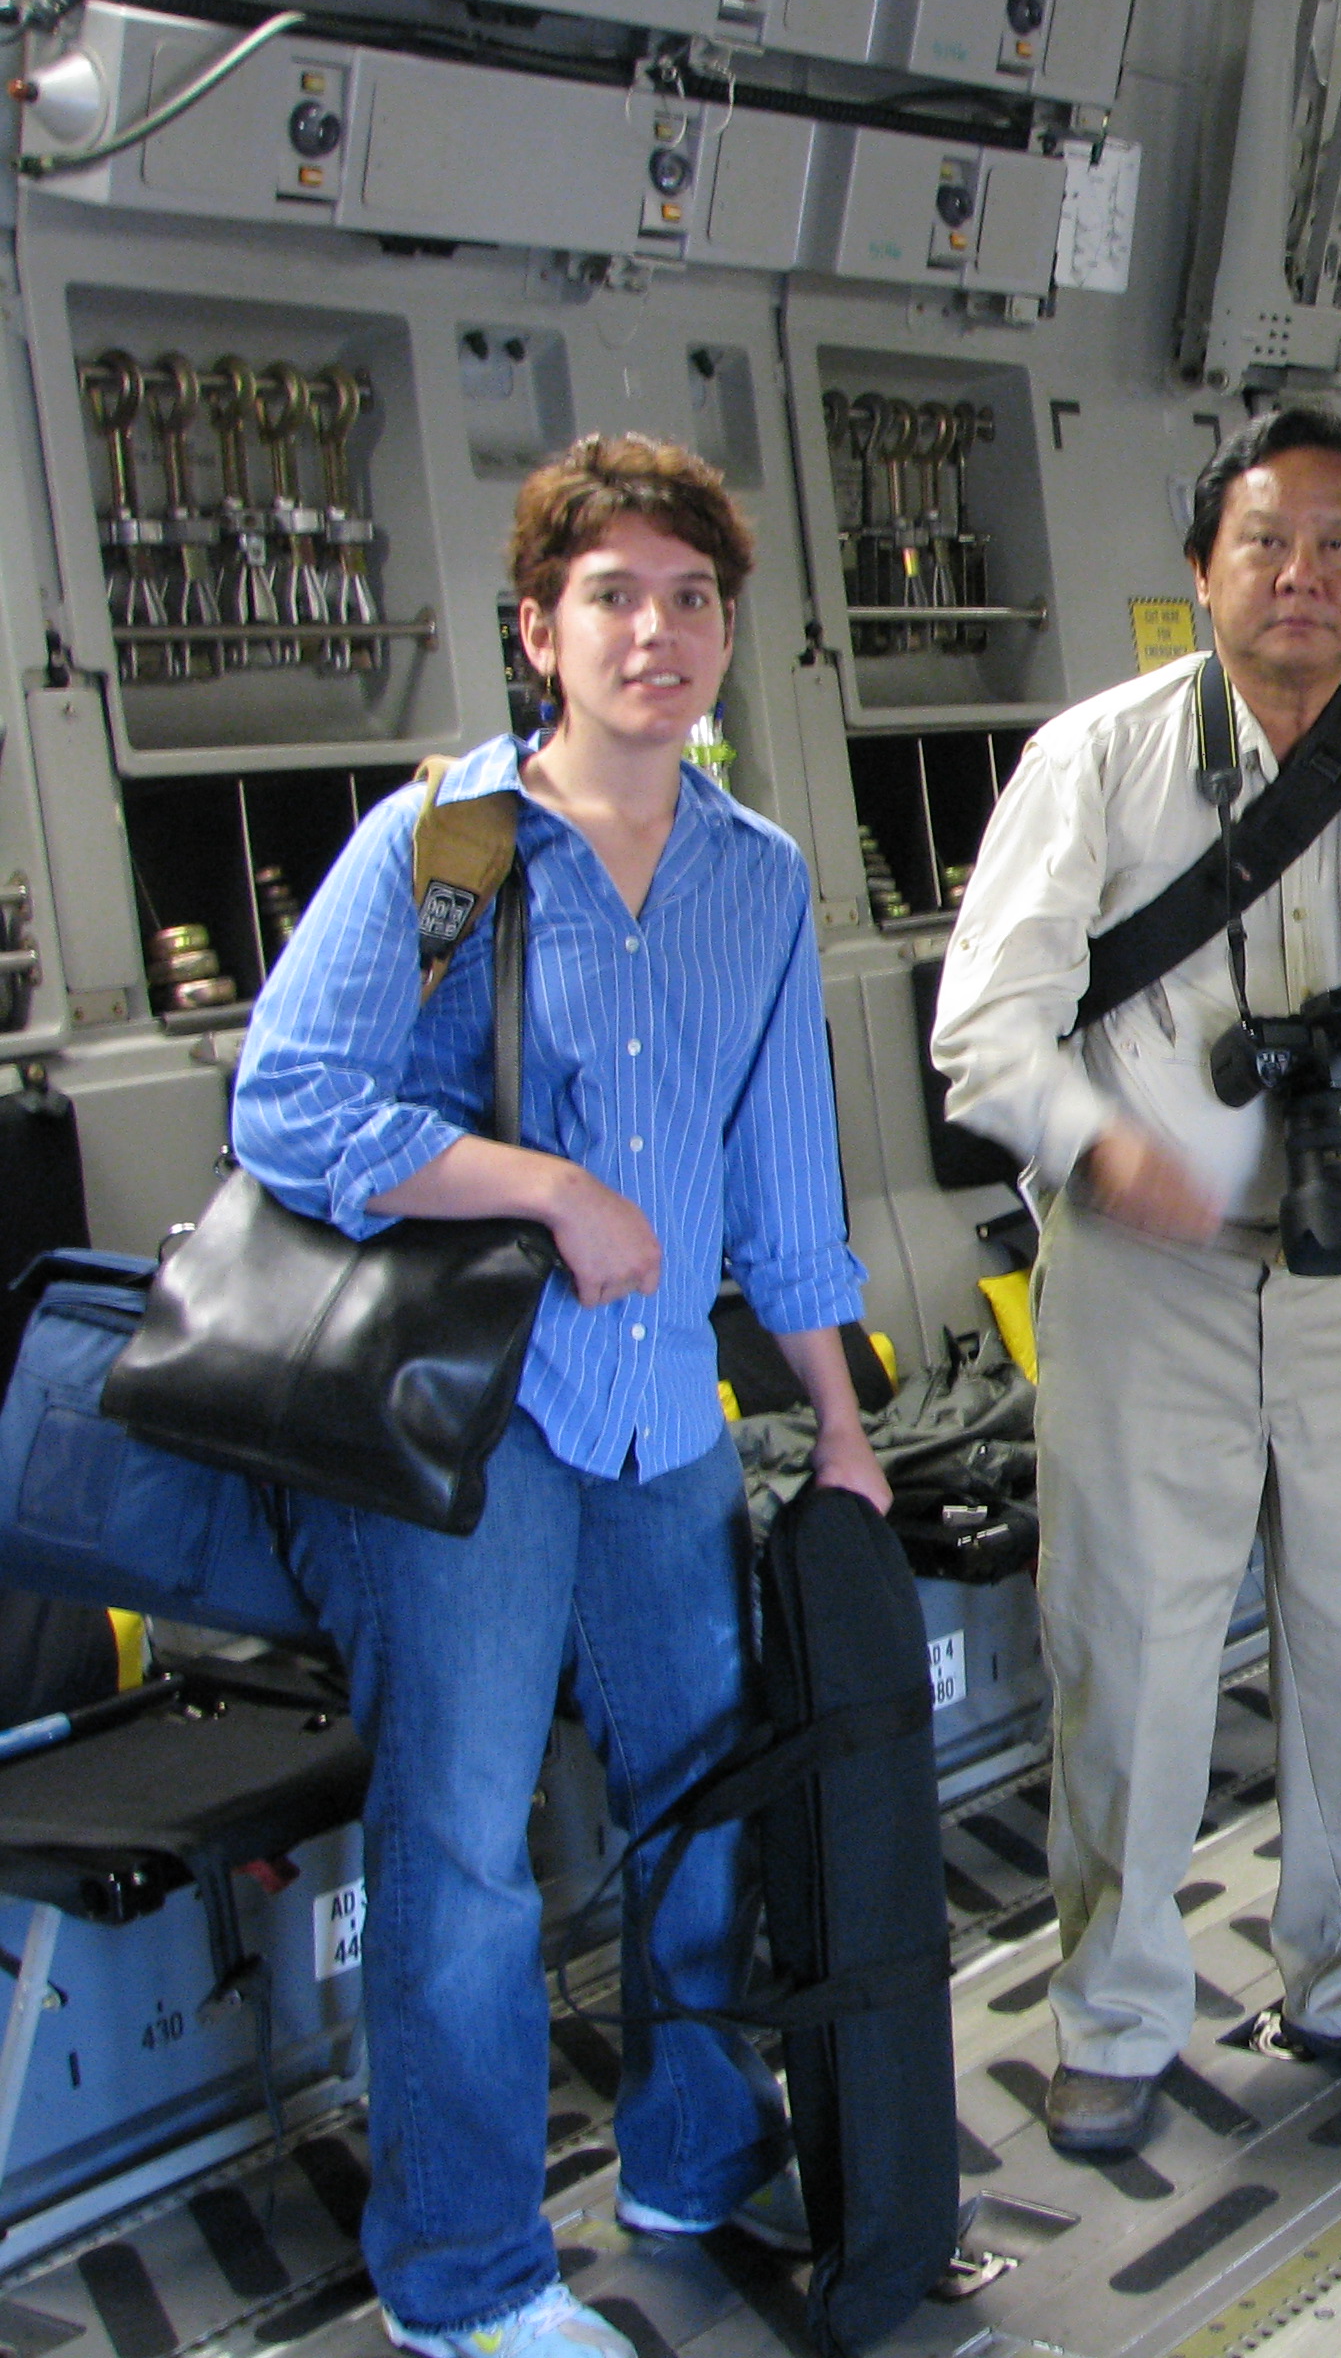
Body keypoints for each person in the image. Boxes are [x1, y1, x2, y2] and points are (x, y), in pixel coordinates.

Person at [236, 436, 890, 2358]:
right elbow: (289, 1107)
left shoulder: (758, 881)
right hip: (477, 1422)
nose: (658, 631)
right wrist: (549, 1185)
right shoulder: (438, 845)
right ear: (541, 633)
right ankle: (465, 2277)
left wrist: (839, 1428)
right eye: (612, 594)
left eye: (692, 597)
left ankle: (691, 2154)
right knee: (462, 1846)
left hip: (665, 1425)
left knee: (695, 1804)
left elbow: (784, 1184)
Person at [930, 406, 1341, 2160]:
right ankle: (1114, 2015)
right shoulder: (1092, 763)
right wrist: (1100, 1147)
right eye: (1264, 543)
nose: (1301, 577)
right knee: (1135, 1649)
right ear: (1202, 570)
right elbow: (982, 1030)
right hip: (1145, 1275)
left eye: (1339, 544)